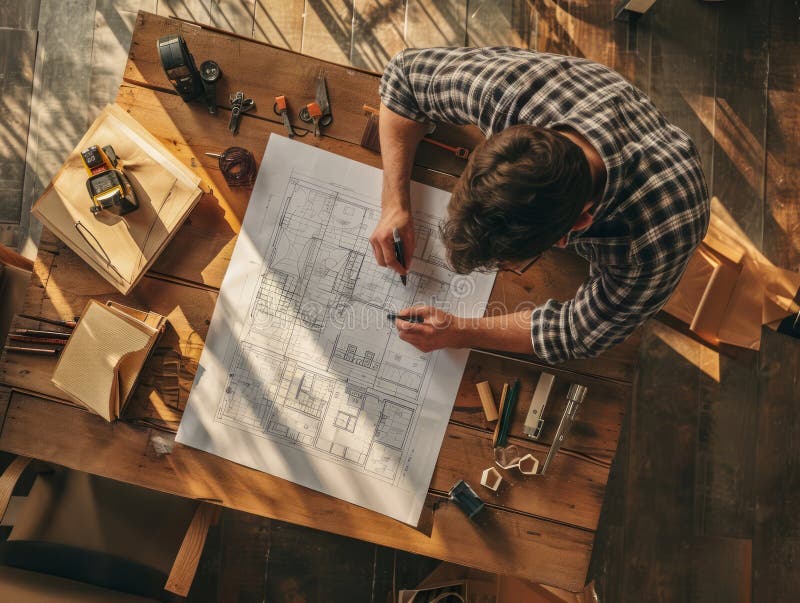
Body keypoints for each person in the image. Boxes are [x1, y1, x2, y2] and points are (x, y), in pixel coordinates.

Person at [369, 47, 710, 363]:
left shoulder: (656, 241)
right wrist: (394, 204)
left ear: (573, 231)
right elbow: (403, 78)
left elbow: (579, 332)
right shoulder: (512, 92)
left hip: (659, 200)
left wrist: (460, 332)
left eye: (511, 264)